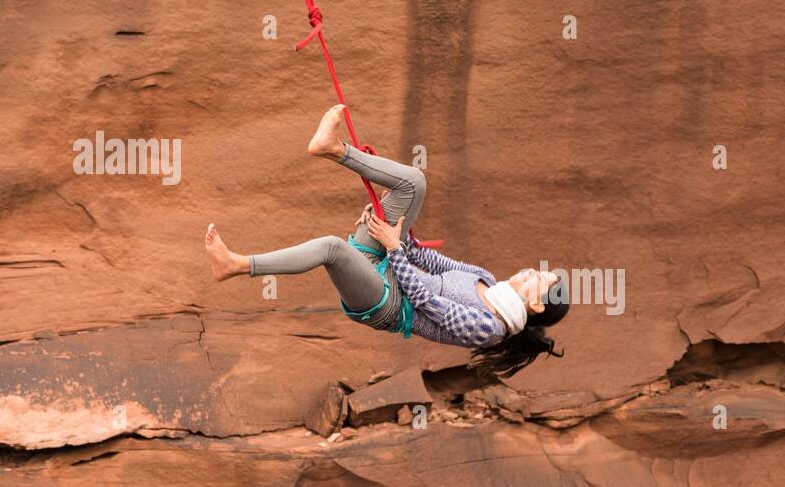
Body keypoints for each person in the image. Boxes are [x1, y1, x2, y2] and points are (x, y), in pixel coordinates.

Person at [205, 104, 568, 377]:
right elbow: (433, 263)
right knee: (414, 183)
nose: (532, 272)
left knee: (332, 247)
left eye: (540, 278)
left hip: (387, 301)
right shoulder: (488, 280)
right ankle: (333, 149)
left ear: (536, 304)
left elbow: (426, 302)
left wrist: (393, 246)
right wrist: (398, 231)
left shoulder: (489, 328)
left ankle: (236, 265)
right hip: (394, 265)